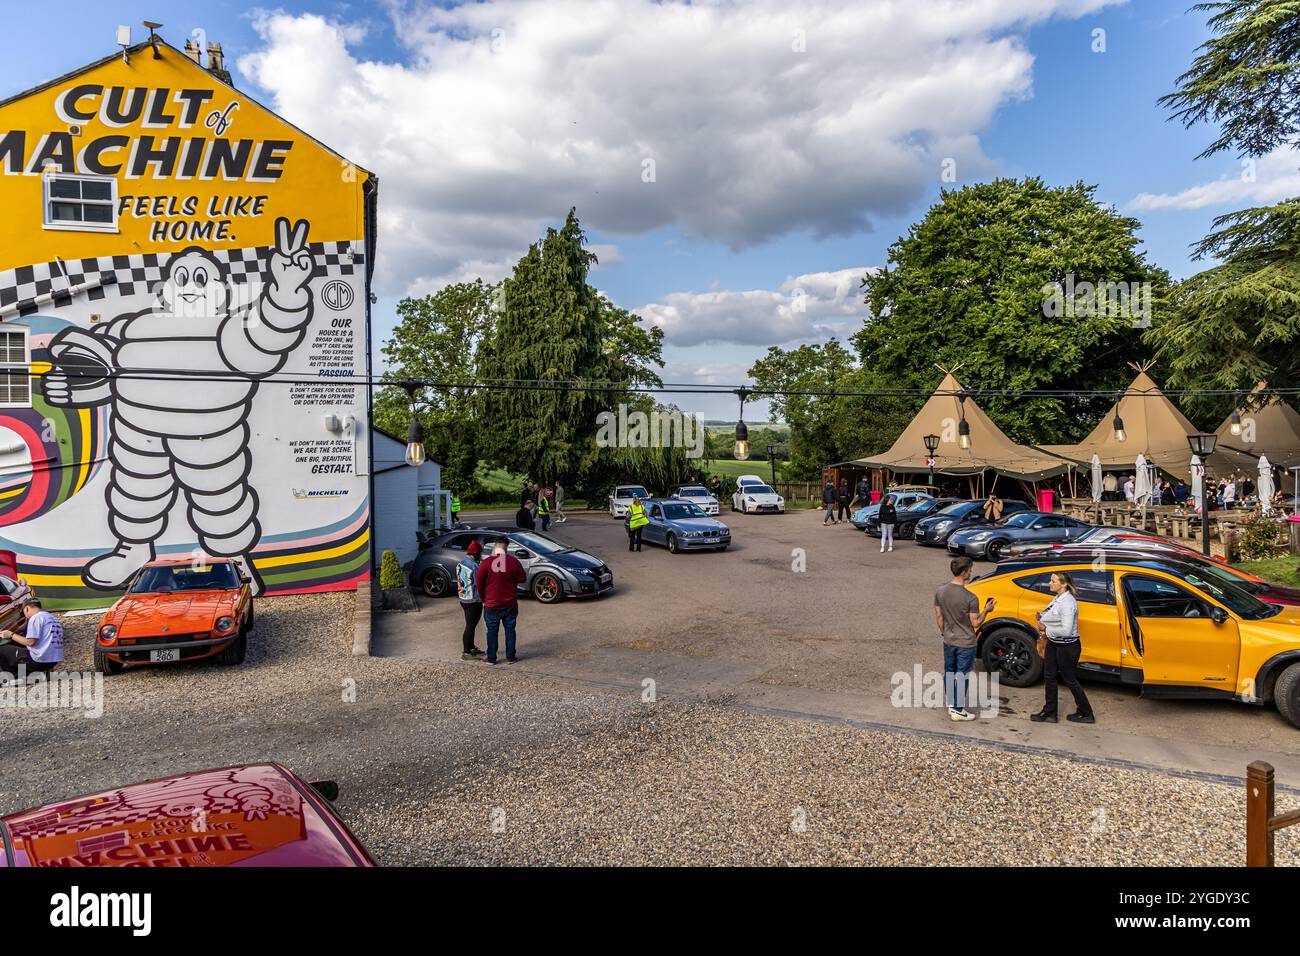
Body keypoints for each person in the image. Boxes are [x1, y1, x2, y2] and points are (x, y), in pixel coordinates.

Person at [934, 557, 996, 721]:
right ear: (964, 572)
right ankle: (958, 709)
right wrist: (987, 611)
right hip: (966, 642)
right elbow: (975, 622)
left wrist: (945, 632)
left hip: (949, 640)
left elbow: (939, 616)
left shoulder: (940, 591)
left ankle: (950, 704)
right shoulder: (971, 597)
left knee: (949, 672)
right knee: (962, 675)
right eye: (969, 569)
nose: (971, 572)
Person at [1030, 571, 1095, 724]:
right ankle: (1050, 712)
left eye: (1053, 581)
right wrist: (1043, 620)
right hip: (1054, 644)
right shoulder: (1058, 598)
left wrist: (1046, 629)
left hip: (1067, 647)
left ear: (1064, 584)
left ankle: (1086, 713)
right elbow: (1053, 616)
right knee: (1049, 677)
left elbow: (1066, 630)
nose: (1049, 583)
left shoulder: (1068, 603)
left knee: (1070, 679)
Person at [475, 537, 527, 665]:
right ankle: (511, 657)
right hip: (510, 603)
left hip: (491, 604)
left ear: (495, 547)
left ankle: (492, 658)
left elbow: (479, 583)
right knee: (510, 630)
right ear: (506, 548)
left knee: (492, 631)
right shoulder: (514, 562)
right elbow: (522, 578)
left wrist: (483, 599)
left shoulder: (486, 563)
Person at [0, 599, 64, 677]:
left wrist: (10, 634)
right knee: (18, 648)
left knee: (2, 650)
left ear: (27, 609)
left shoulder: (35, 618)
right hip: (54, 660)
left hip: (39, 661)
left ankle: (13, 677)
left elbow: (30, 642)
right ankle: (46, 672)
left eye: (23, 613)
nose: (25, 616)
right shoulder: (52, 617)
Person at [455, 540, 486, 661]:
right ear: (476, 554)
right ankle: (467, 652)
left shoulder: (461, 563)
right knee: (470, 626)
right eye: (480, 554)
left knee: (470, 625)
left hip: (463, 599)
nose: (481, 556)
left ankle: (471, 647)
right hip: (473, 601)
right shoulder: (474, 566)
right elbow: (480, 584)